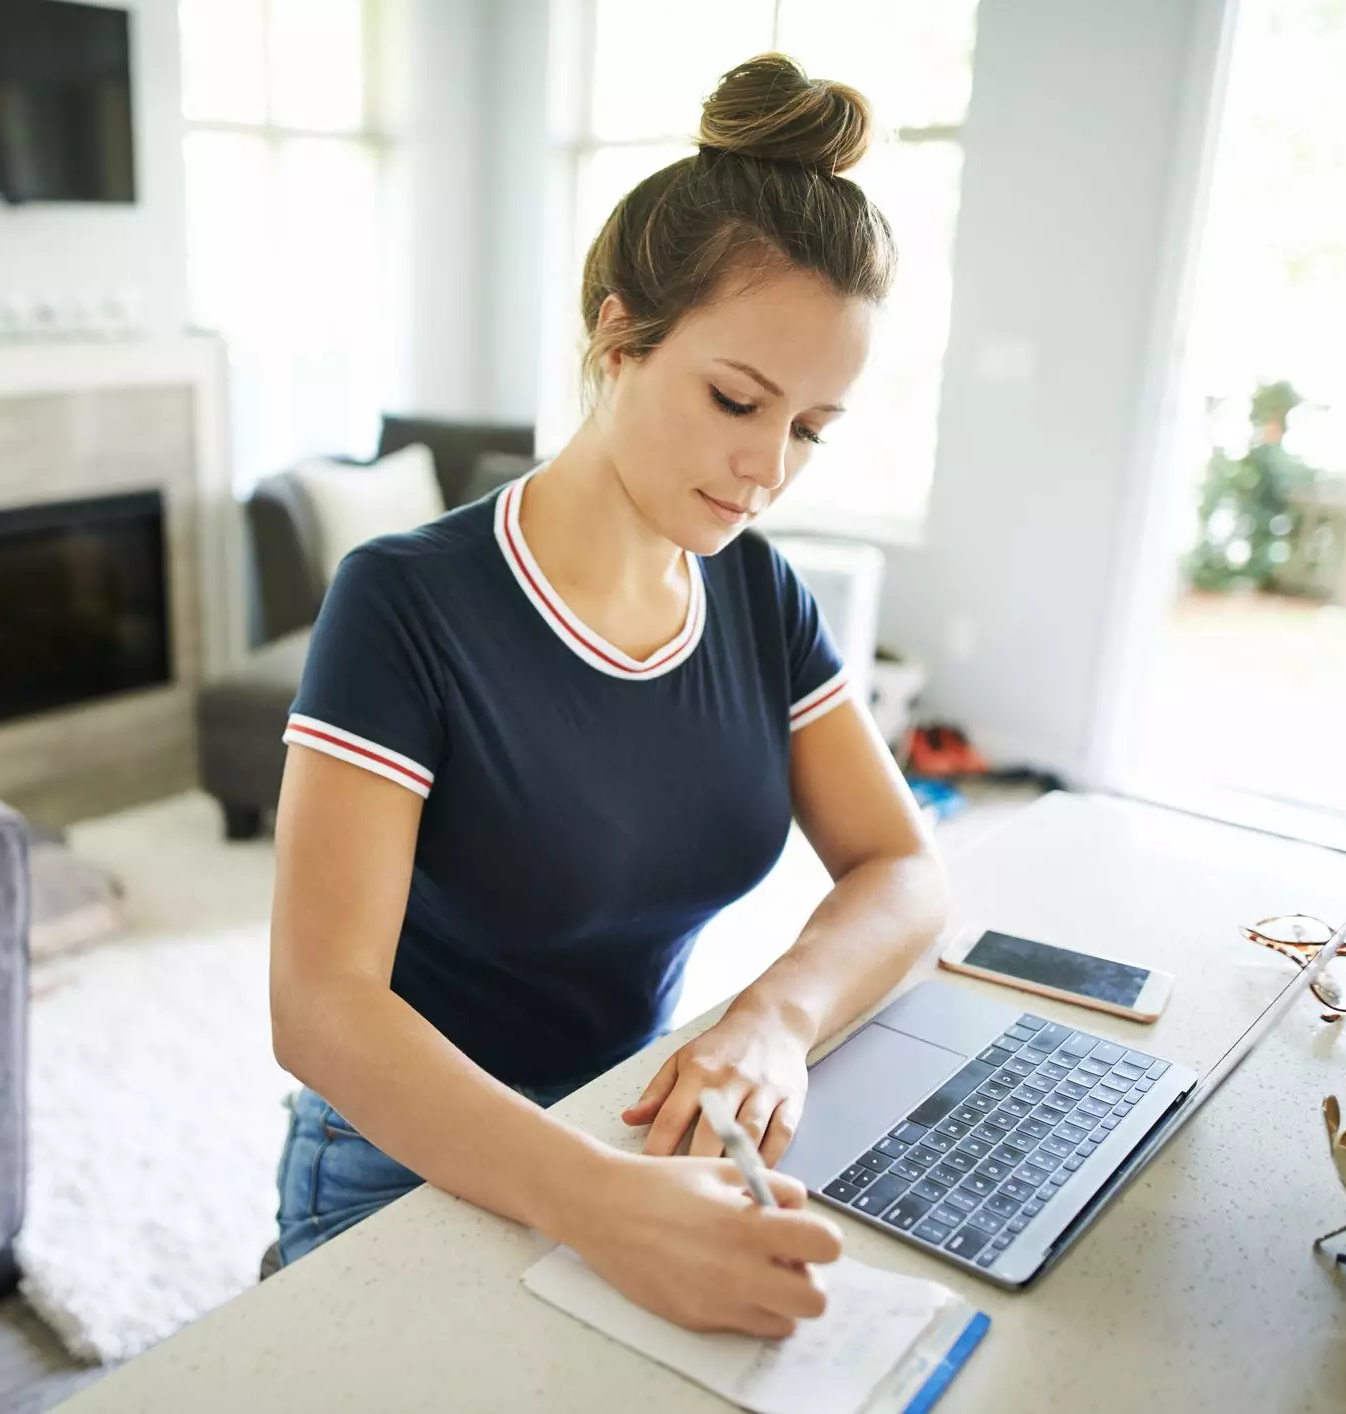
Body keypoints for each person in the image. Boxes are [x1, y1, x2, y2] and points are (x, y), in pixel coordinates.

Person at [267, 52, 949, 1340]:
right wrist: (601, 1204)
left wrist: (774, 1021)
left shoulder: (756, 597)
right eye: (737, 399)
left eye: (809, 428)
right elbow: (320, 1007)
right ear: (617, 330)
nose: (767, 469)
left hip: (624, 1131)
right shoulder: (406, 603)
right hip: (401, 1165)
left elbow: (905, 869)